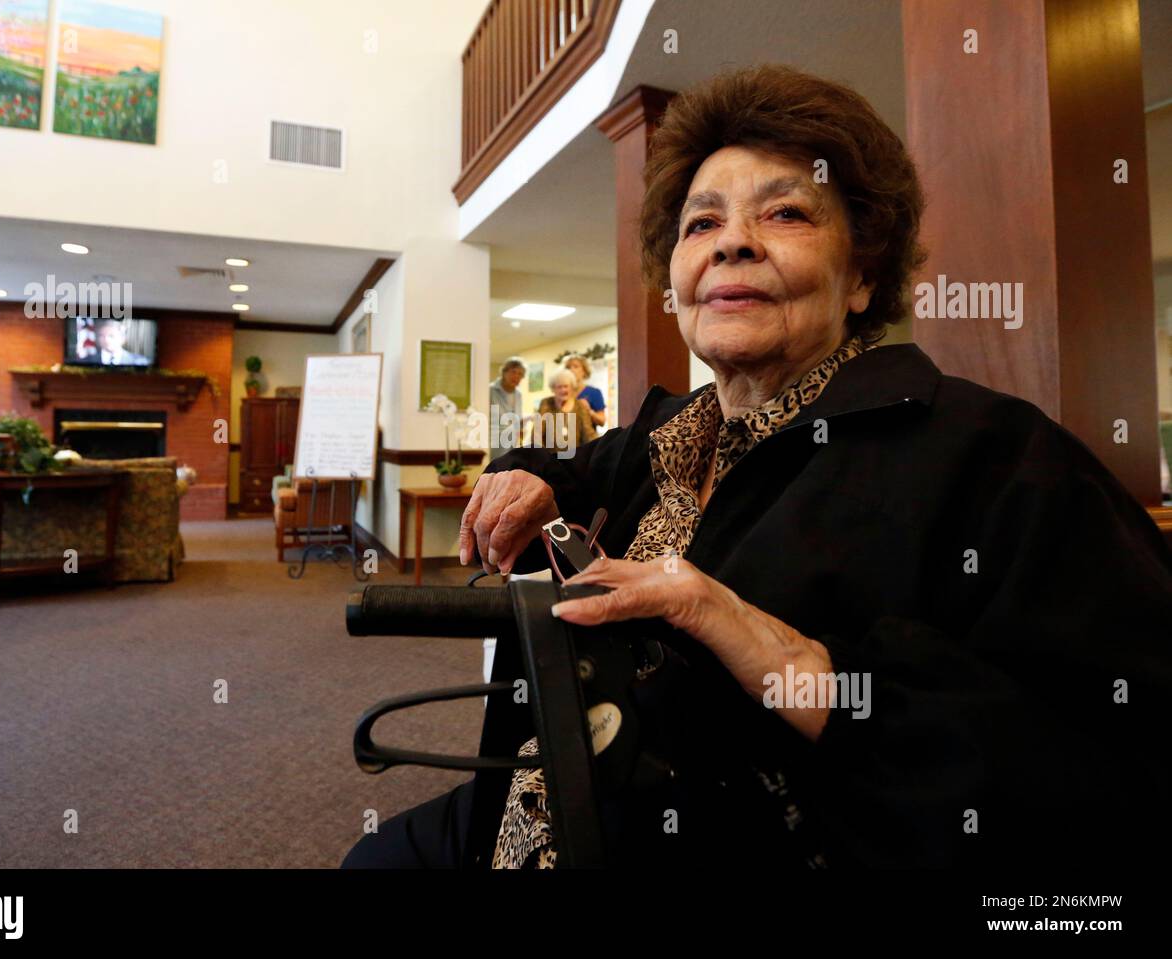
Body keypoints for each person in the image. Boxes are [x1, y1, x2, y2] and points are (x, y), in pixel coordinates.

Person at [342, 64, 1172, 870]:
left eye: (784, 214)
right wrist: (526, 478)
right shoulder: (662, 435)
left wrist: (797, 664)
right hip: (535, 806)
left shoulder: (995, 456)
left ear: (863, 275)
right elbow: (565, 469)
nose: (732, 241)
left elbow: (1107, 769)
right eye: (700, 224)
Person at [531, 368, 597, 453]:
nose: (563, 390)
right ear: (553, 389)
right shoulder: (546, 404)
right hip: (550, 458)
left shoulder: (580, 406)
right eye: (559, 387)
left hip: (575, 458)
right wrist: (543, 456)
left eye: (566, 386)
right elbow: (537, 434)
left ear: (572, 387)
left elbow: (588, 434)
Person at [489, 357, 526, 461]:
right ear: (504, 372)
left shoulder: (518, 395)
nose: (516, 376)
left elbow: (517, 418)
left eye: (520, 374)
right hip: (494, 444)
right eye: (513, 372)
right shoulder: (491, 391)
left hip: (512, 444)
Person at [562, 353, 607, 429]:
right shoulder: (562, 394)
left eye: (575, 366)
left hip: (589, 439)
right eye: (568, 368)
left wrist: (589, 411)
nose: (571, 370)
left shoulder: (594, 392)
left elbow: (602, 422)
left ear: (584, 371)